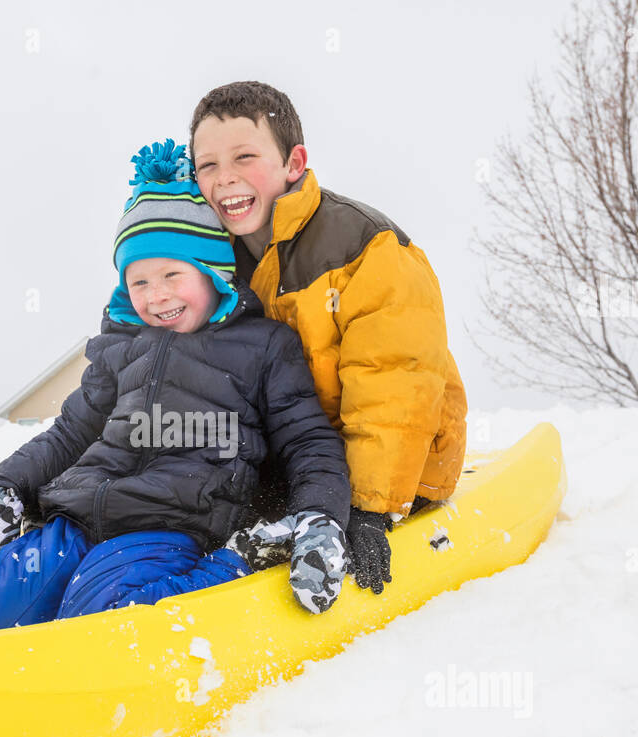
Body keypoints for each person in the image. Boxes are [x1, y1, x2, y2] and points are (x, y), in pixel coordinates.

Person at [0, 140, 352, 632]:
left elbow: (308, 440)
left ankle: (242, 560)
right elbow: (69, 433)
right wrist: (4, 490)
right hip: (77, 515)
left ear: (213, 271)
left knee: (103, 620)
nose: (157, 296)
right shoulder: (120, 347)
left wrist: (320, 517)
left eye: (173, 274)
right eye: (139, 282)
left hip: (170, 523)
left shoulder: (263, 347)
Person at [189, 81, 469, 596]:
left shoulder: (365, 246)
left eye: (244, 156)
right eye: (207, 165)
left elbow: (394, 378)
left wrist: (368, 507)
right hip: (296, 466)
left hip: (398, 470)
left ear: (294, 163)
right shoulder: (209, 263)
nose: (224, 177)